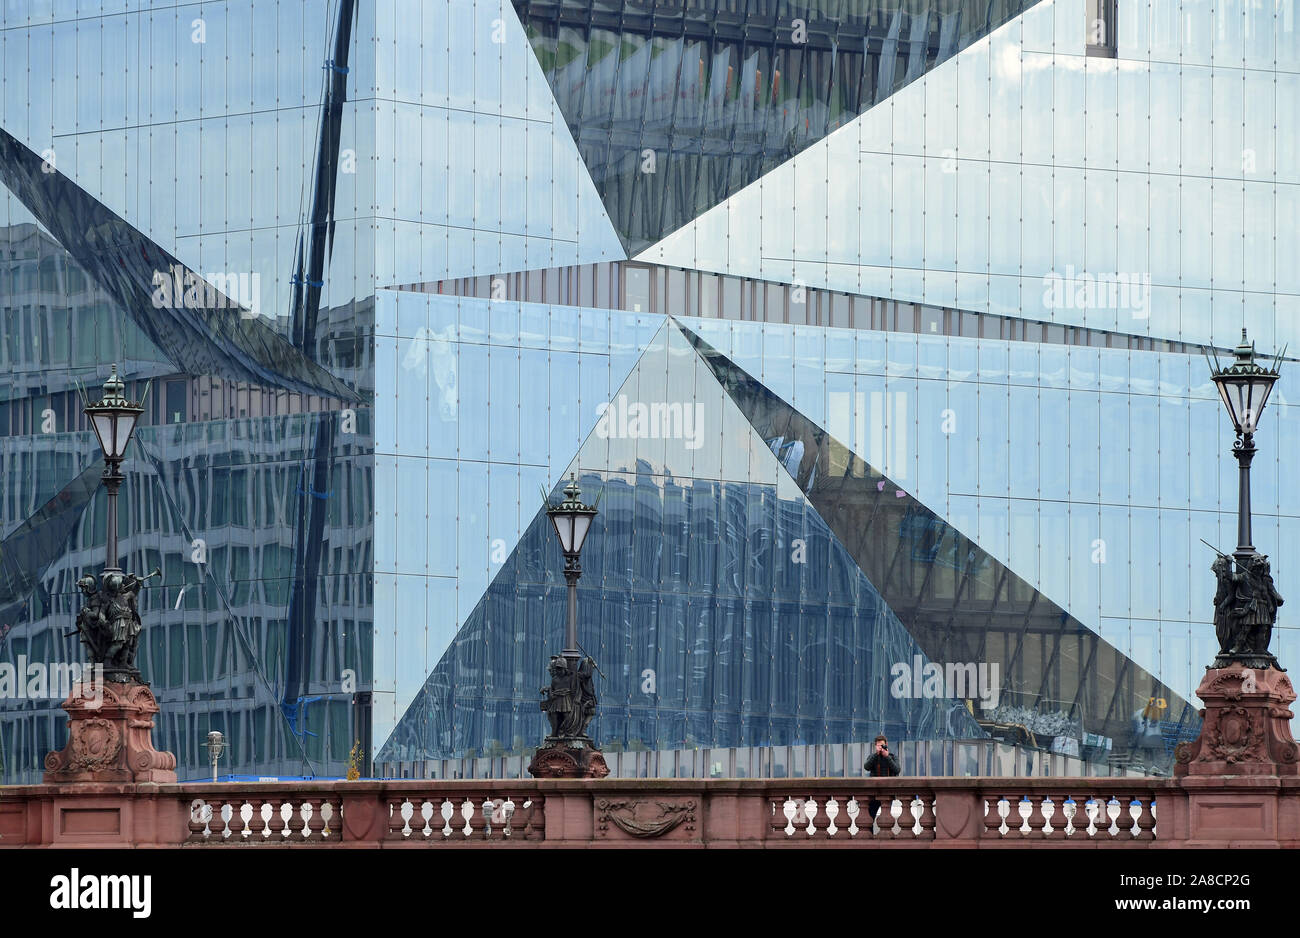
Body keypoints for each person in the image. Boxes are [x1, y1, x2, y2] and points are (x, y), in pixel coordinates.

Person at [863, 734, 900, 824]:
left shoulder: (893, 757)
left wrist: (887, 757)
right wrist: (876, 754)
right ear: (875, 746)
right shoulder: (873, 757)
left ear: (886, 745)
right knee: (870, 816)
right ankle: (870, 836)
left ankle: (885, 836)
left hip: (888, 791)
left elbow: (897, 770)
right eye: (878, 745)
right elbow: (866, 767)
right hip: (874, 792)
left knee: (886, 818)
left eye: (882, 745)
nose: (880, 747)